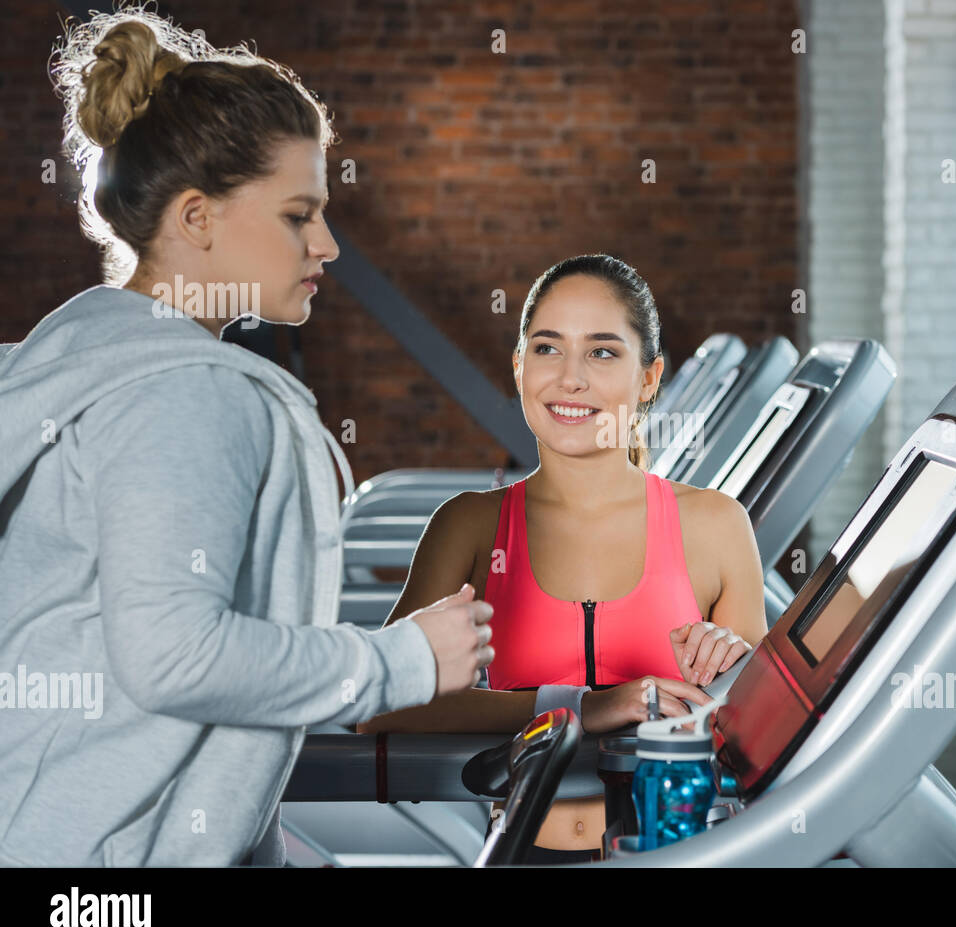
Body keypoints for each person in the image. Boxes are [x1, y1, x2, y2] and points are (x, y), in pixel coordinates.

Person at [0, 9, 492, 867]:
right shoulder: (190, 392)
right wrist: (399, 663)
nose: (327, 244)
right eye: (299, 215)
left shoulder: (83, 348)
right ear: (197, 220)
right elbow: (173, 658)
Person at [359, 254, 769, 863]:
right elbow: (382, 705)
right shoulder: (468, 526)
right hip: (527, 853)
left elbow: (764, 737)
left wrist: (735, 671)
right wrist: (588, 706)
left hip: (676, 854)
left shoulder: (714, 524)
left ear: (649, 377)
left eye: (603, 352)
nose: (570, 379)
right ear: (520, 367)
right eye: (548, 349)